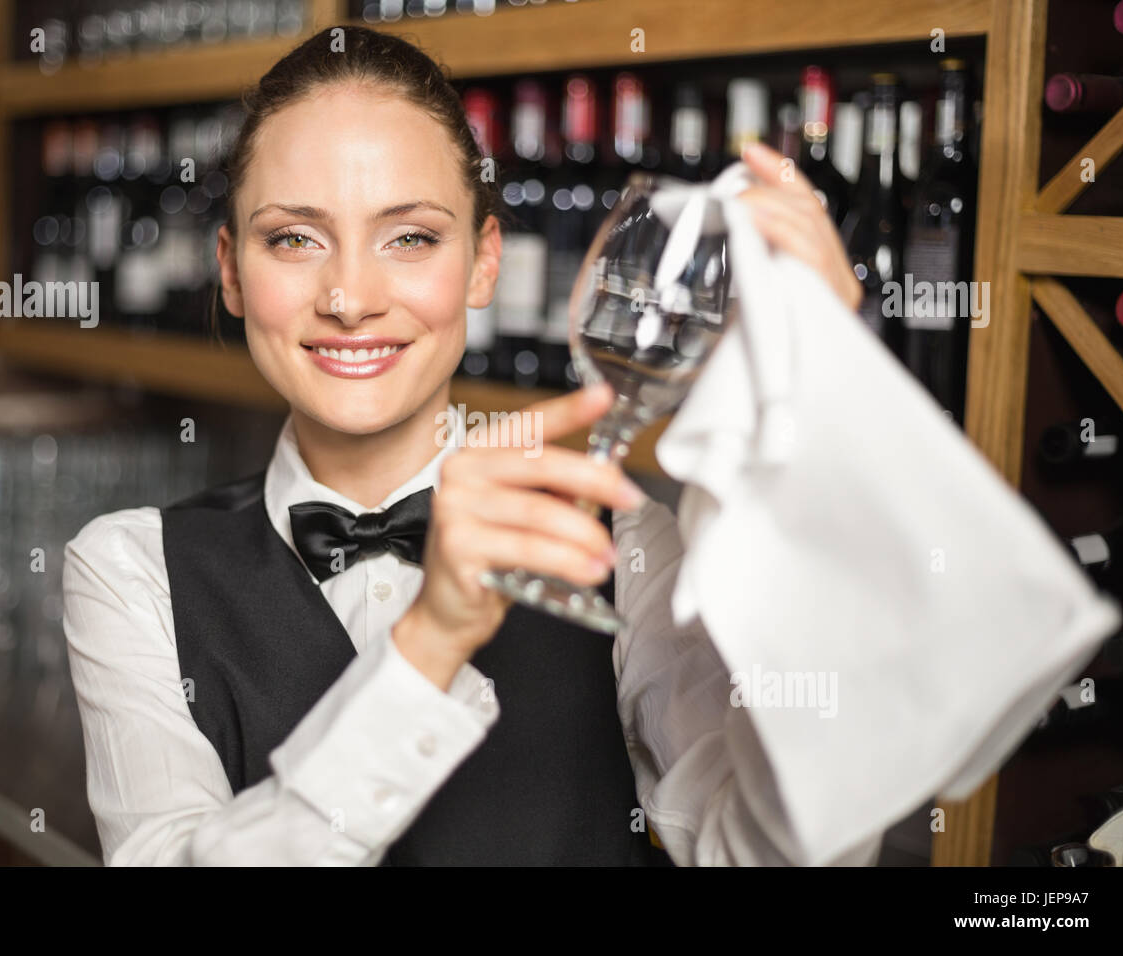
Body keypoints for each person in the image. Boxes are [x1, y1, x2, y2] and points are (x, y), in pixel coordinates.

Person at [62, 24, 874, 865]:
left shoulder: (621, 547)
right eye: (294, 238)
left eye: (410, 235)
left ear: (486, 261)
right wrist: (431, 641)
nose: (349, 297)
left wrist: (808, 454)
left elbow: (782, 853)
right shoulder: (132, 573)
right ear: (231, 271)